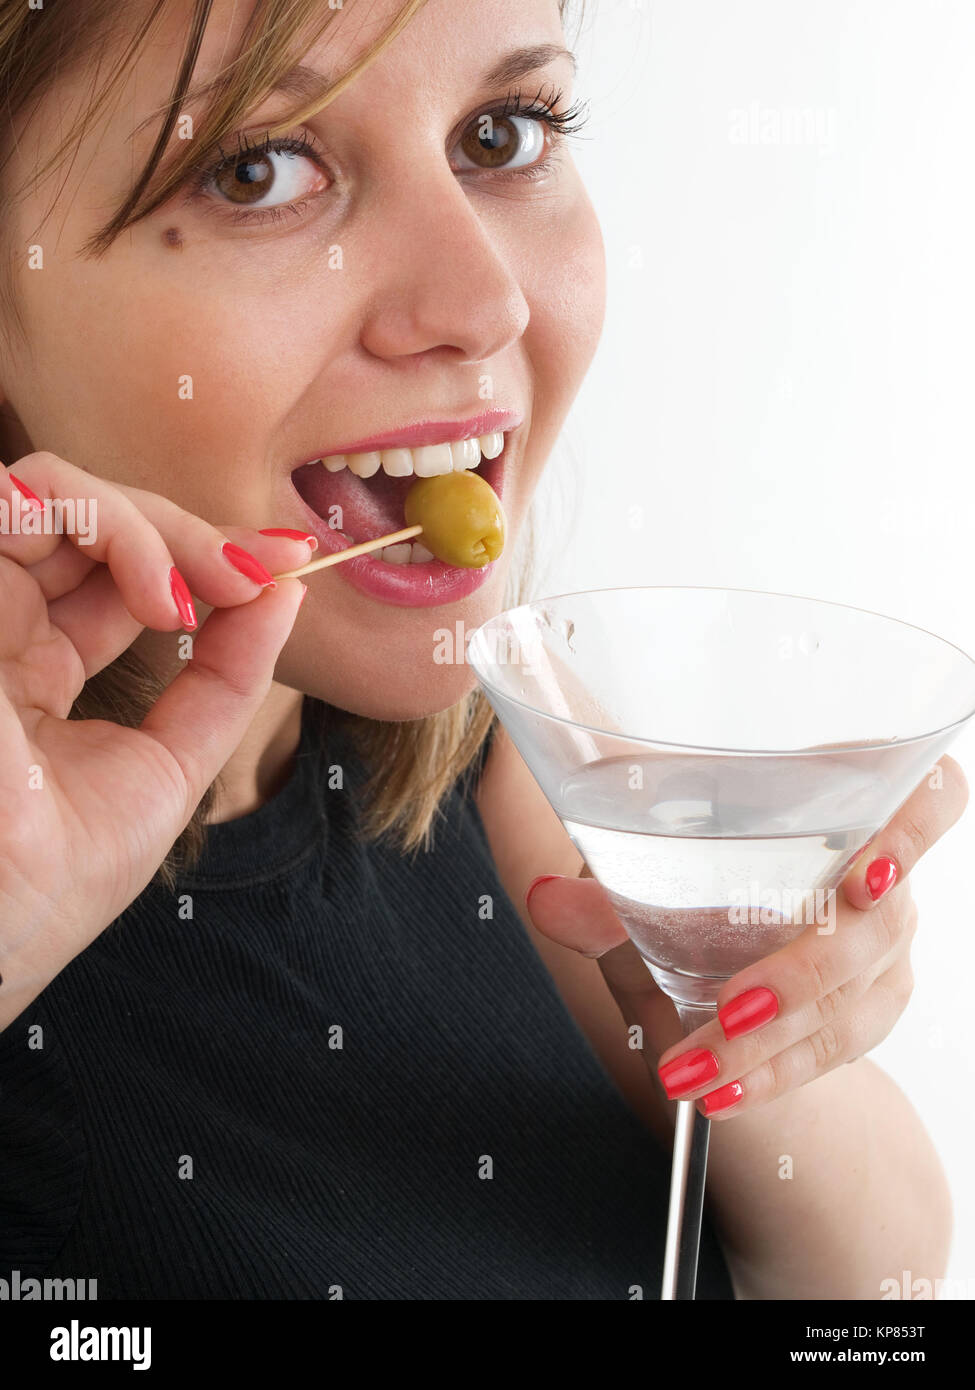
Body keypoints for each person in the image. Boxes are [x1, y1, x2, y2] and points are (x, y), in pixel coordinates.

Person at [0, 0, 963, 1301]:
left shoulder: (484, 765)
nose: (485, 301)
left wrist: (758, 1050)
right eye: (260, 167)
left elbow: (878, 1280)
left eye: (504, 134)